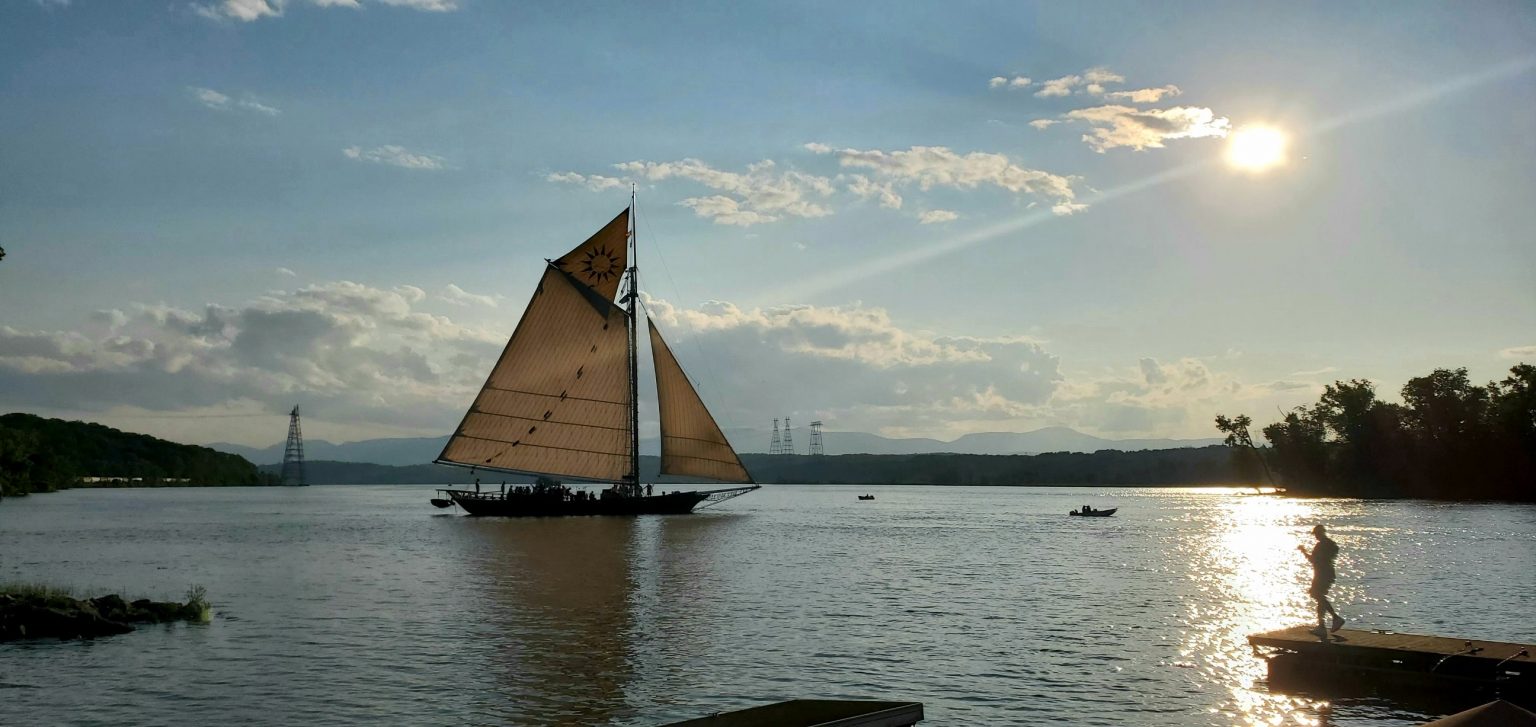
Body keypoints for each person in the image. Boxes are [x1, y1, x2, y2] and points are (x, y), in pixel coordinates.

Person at [1298, 524, 1345, 635]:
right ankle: (1322, 626)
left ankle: (1335, 618)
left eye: (1316, 534)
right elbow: (1333, 553)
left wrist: (1303, 551)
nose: (1315, 536)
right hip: (1328, 573)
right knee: (1320, 598)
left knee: (1317, 595)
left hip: (1321, 574)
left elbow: (1313, 560)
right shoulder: (1331, 544)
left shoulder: (1320, 545)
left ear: (1320, 533)